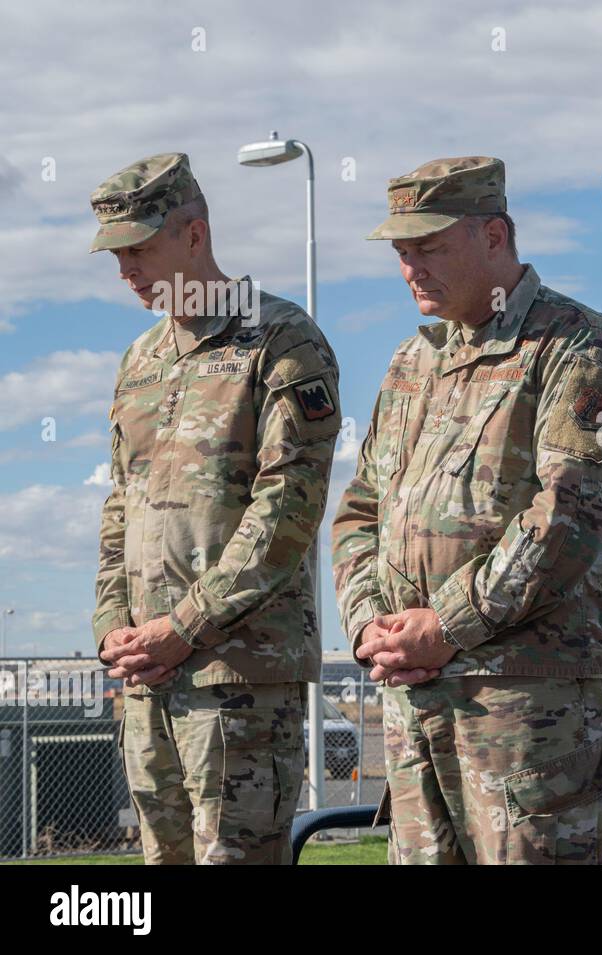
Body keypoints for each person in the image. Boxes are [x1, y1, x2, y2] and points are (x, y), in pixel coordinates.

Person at [332, 156, 602, 864]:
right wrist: (369, 630)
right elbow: (359, 511)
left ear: (495, 236)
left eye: (430, 247)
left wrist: (446, 624)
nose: (411, 268)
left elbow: (569, 515)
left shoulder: (576, 346)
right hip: (414, 711)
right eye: (401, 253)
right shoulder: (410, 366)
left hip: (525, 716)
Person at [90, 152, 341, 864]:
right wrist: (114, 623)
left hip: (239, 678)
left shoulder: (282, 340)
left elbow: (288, 506)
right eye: (115, 254)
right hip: (149, 678)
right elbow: (122, 503)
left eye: (138, 248)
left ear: (194, 236)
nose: (125, 271)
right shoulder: (140, 360)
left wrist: (185, 624)